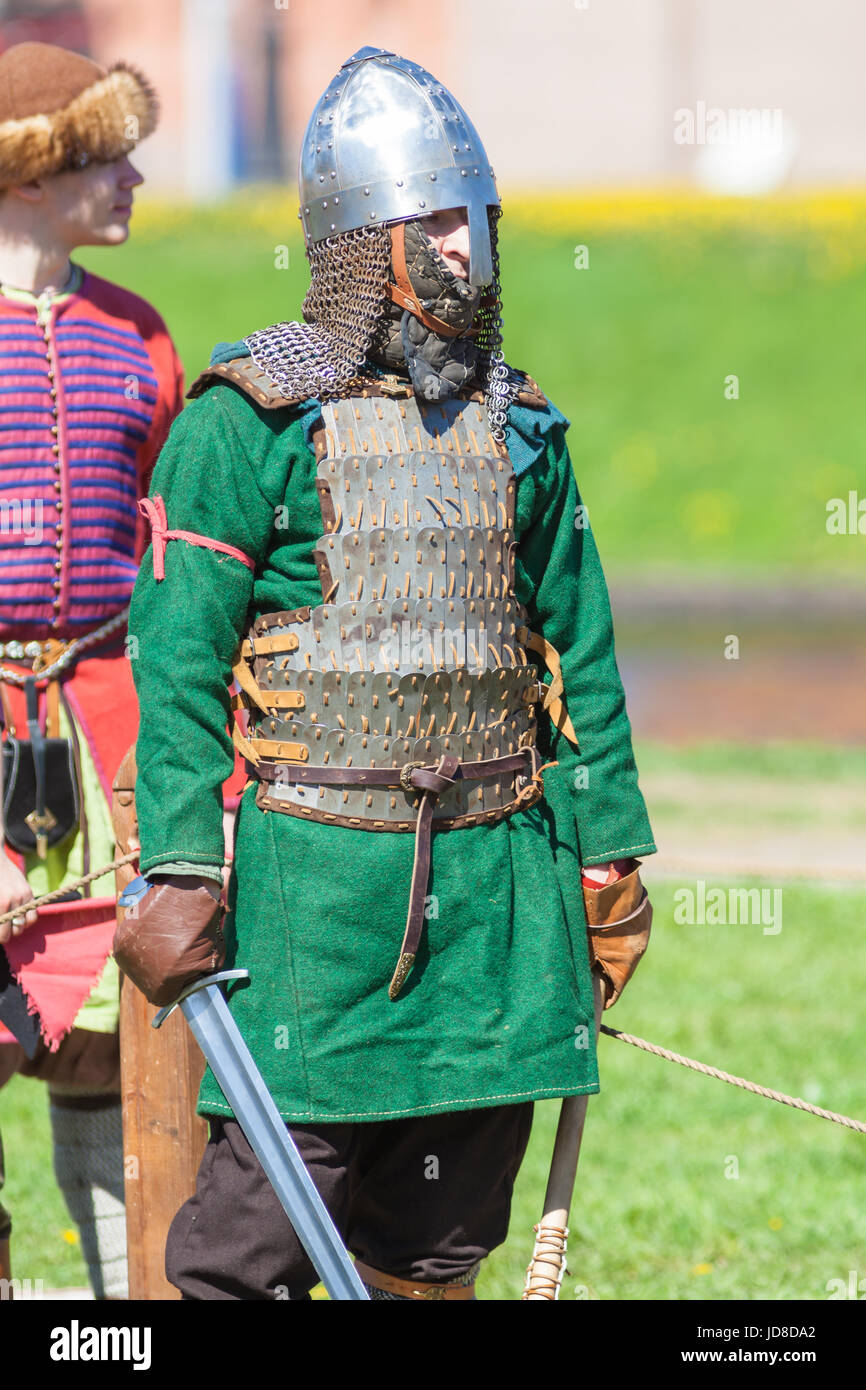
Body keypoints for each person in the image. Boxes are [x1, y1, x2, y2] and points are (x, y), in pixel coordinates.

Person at [115, 45, 656, 1301]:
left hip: (493, 892)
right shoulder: (242, 423)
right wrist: (185, 866)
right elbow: (181, 664)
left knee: (437, 1244)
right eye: (440, 225)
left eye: (479, 223)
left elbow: (581, 656)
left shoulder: (521, 429)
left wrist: (608, 848)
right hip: (315, 904)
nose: (470, 250)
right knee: (244, 1250)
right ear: (366, 241)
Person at [0, 40, 183, 1300]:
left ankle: (129, 1309)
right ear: (32, 168)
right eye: (106, 156)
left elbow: (171, 543)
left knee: (121, 1036)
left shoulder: (142, 336)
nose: (131, 180)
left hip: (110, 718)